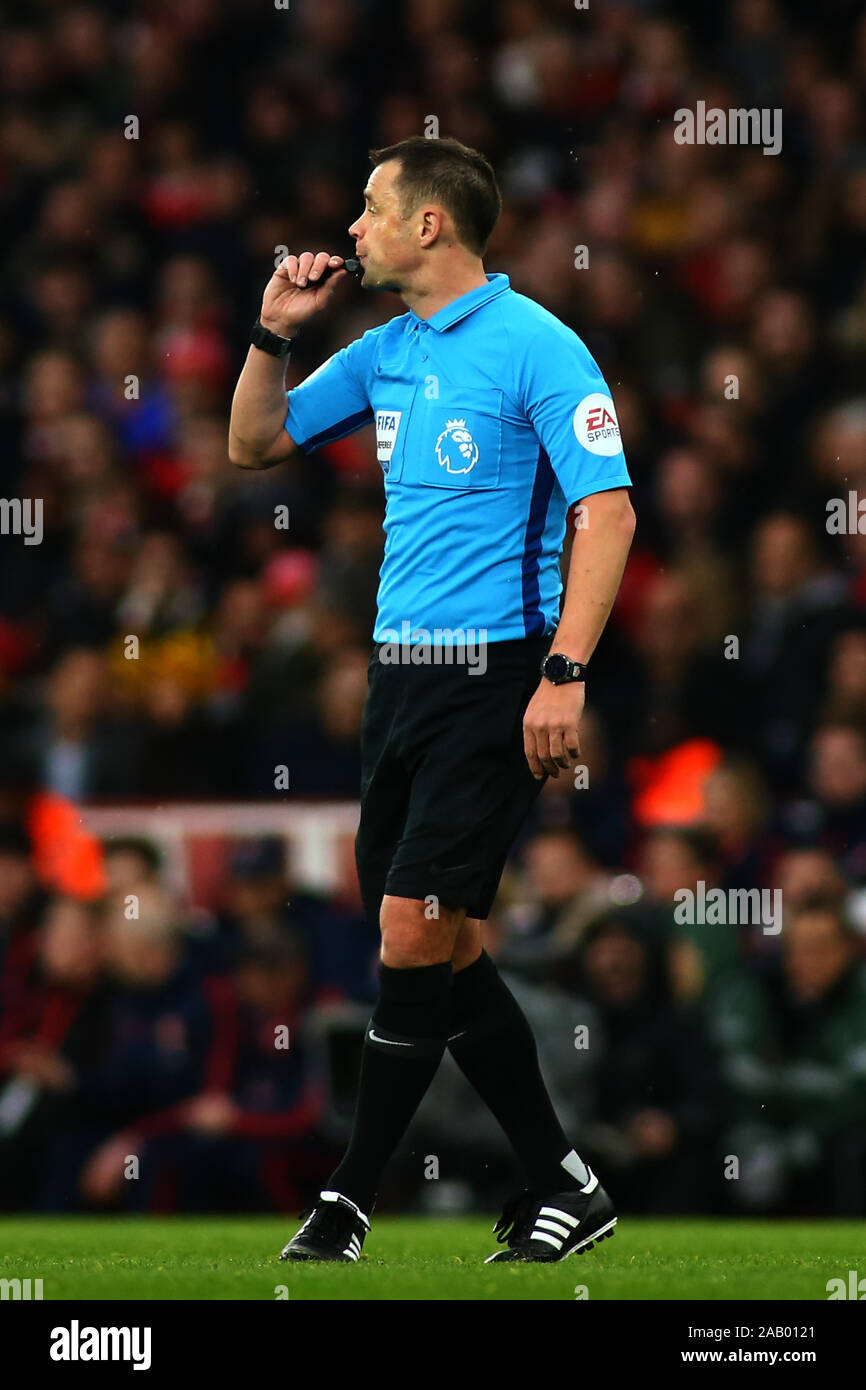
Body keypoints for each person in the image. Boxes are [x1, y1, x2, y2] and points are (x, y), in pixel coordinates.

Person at [229, 136, 635, 1263]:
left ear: (428, 225)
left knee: (414, 928)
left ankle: (349, 1198)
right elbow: (252, 441)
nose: (347, 228)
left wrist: (564, 671)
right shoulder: (385, 350)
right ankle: (563, 1175)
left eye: (368, 208)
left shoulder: (538, 347)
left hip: (496, 673)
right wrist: (273, 331)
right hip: (395, 680)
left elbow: (608, 512)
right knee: (430, 943)